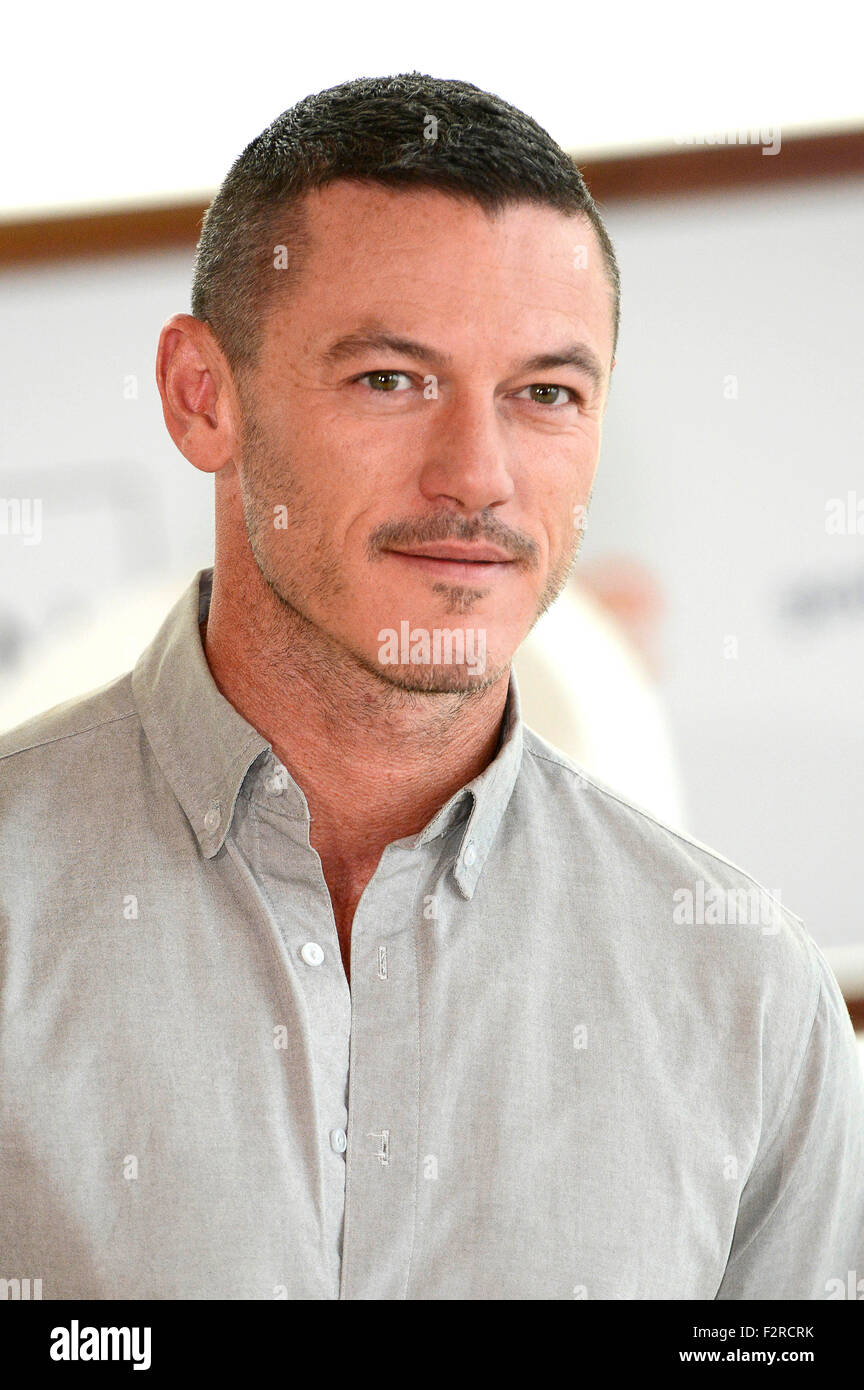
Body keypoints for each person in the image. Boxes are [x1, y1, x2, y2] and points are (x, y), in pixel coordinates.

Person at [1, 73, 861, 1301]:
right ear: (205, 396)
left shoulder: (750, 996)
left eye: (547, 394)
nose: (479, 476)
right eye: (391, 379)